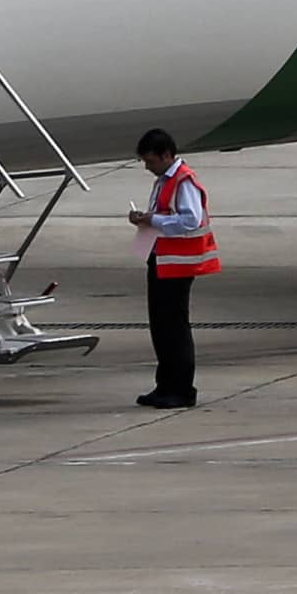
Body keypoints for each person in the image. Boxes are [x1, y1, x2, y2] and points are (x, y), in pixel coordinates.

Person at [127, 128, 221, 408]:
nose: (148, 167)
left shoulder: (184, 181)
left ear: (167, 155)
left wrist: (153, 220)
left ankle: (181, 389)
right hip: (162, 260)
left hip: (178, 266)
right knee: (161, 326)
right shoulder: (165, 179)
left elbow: (189, 220)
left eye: (151, 161)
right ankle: (165, 384)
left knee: (174, 327)